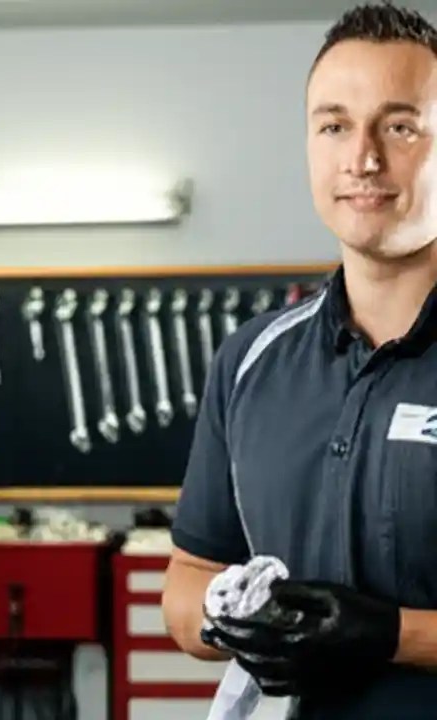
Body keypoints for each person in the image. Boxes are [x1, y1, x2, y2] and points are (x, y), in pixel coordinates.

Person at [162, 3, 437, 718]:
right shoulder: (250, 360)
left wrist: (390, 636)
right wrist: (228, 615)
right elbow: (187, 579)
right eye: (335, 126)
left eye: (400, 126)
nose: (362, 159)